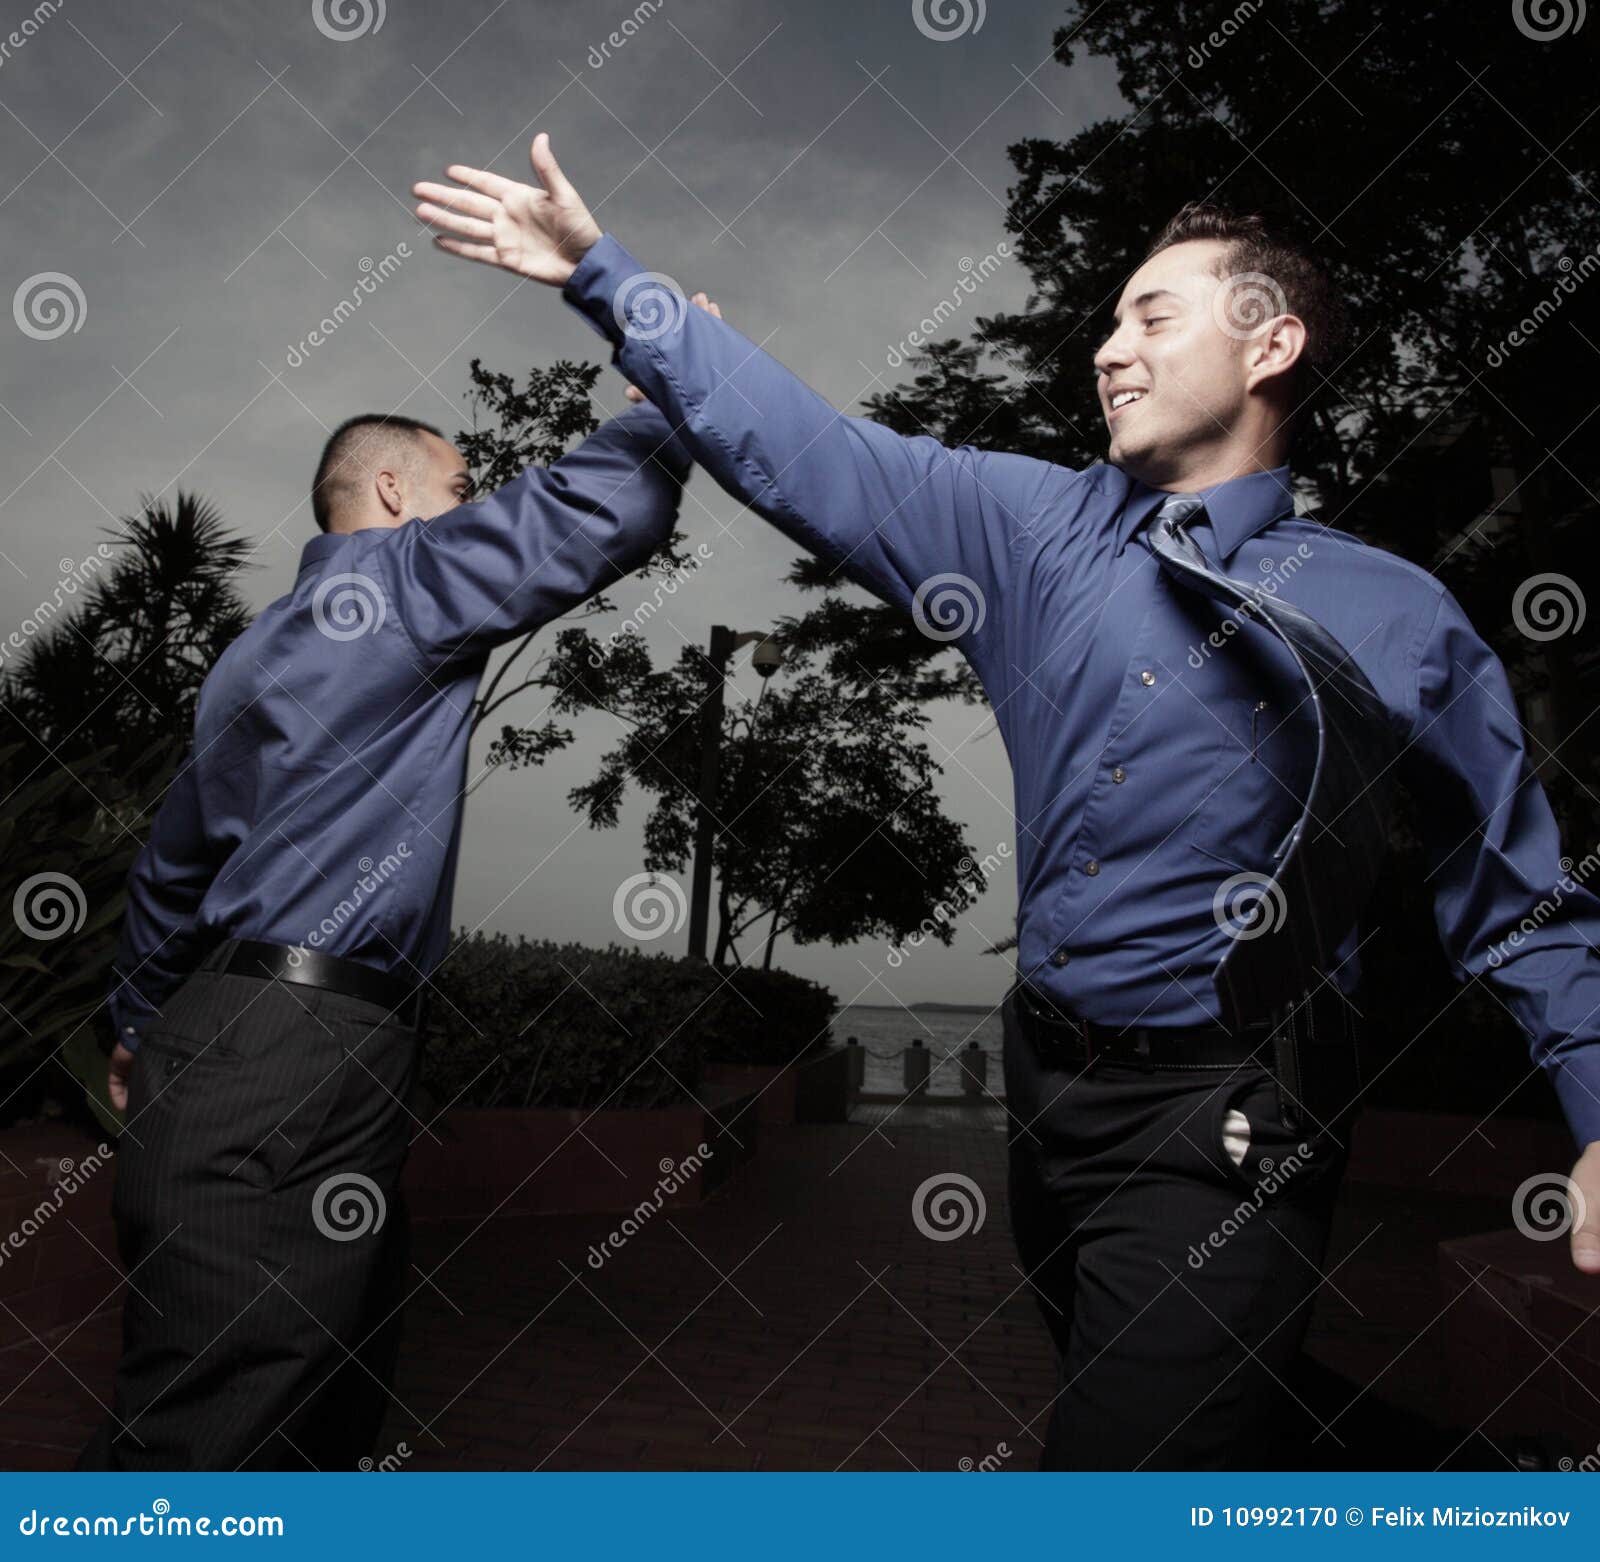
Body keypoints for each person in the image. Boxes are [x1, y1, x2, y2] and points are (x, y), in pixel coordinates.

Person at [414, 133, 1600, 1470]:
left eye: (1153, 313)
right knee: (1202, 1406)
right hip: (1050, 1093)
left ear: (1269, 345)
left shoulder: (1397, 615)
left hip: (1229, 1116)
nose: (1109, 346)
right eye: (1105, 318)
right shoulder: (1030, 529)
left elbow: (1519, 896)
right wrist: (606, 275)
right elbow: (811, 450)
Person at [80, 391, 690, 1470]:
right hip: (292, 1051)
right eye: (461, 490)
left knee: (315, 1404)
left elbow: (176, 868)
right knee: (205, 1430)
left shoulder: (248, 655)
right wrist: (655, 407)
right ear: (395, 492)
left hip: (254, 1036)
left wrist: (135, 1022)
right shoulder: (406, 579)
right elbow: (610, 512)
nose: (474, 509)